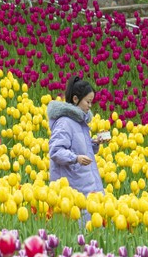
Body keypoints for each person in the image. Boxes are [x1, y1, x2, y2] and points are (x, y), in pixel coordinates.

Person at [47, 75, 109, 210]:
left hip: (84, 184)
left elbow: (79, 147)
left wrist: (95, 143)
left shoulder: (79, 121)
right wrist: (75, 158)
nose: (90, 106)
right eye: (88, 102)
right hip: (73, 187)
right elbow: (56, 151)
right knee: (76, 225)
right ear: (75, 99)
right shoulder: (65, 123)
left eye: (91, 102)